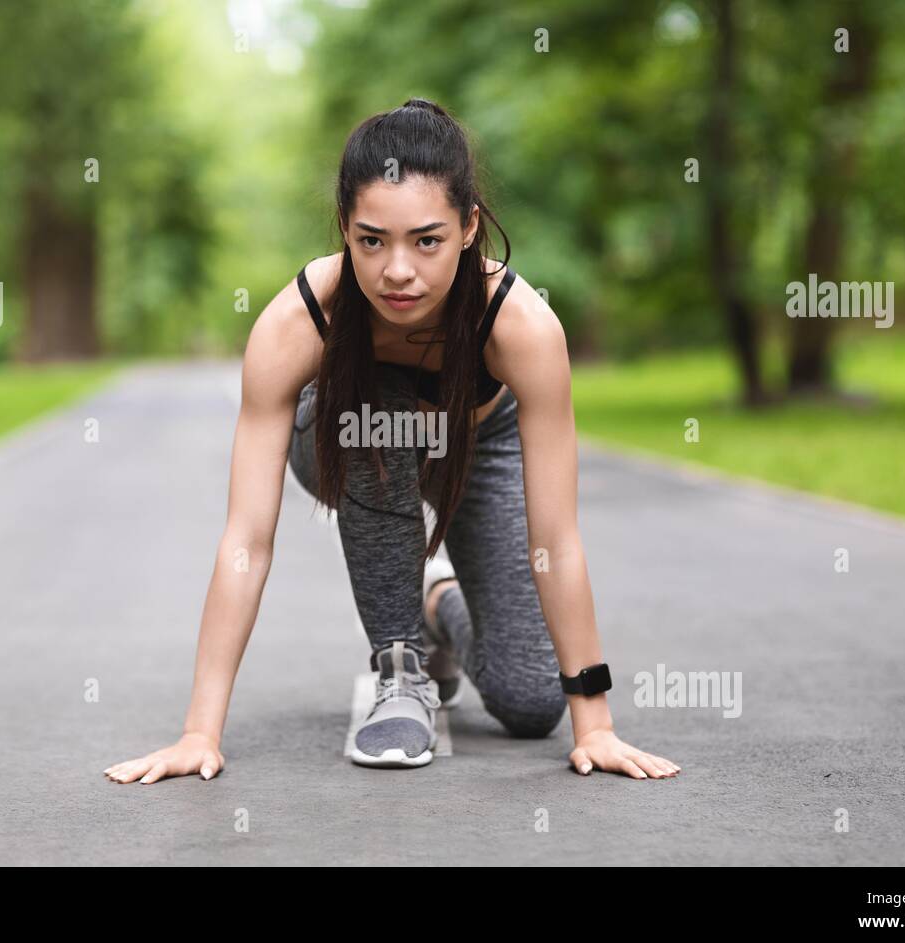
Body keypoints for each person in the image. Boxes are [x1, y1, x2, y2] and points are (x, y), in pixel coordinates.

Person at [105, 98, 680, 781]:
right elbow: (246, 540)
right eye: (371, 240)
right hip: (343, 439)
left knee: (529, 703)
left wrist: (597, 724)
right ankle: (400, 665)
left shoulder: (521, 326)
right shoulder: (300, 320)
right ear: (345, 229)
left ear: (469, 227)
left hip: (474, 447)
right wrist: (199, 732)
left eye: (426, 240)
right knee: (380, 400)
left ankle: (437, 607)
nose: (397, 270)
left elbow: (555, 539)